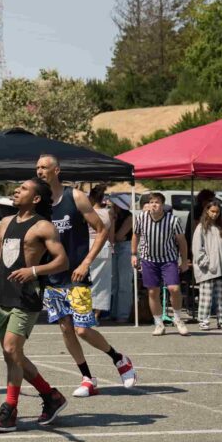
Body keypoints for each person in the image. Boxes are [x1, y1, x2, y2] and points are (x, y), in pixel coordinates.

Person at [0, 179, 70, 432]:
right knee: (12, 356)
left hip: (27, 298)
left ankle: (10, 410)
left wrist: (33, 270)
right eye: (17, 188)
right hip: (4, 296)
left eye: (23, 188)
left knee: (12, 350)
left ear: (36, 199)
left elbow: (62, 261)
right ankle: (51, 396)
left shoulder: (43, 227)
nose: (16, 191)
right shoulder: (5, 222)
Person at [35, 155, 137, 398]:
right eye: (37, 167)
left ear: (57, 170)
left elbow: (101, 230)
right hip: (52, 276)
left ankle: (119, 358)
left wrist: (86, 262)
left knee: (82, 329)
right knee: (65, 328)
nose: (39, 171)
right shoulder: (40, 203)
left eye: (44, 167)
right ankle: (88, 378)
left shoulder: (75, 197)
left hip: (76, 275)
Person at [132, 192, 192, 336]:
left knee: (174, 289)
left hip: (168, 259)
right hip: (149, 259)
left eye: (157, 202)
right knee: (153, 292)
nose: (154, 205)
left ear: (163, 205)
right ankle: (158, 323)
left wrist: (184, 261)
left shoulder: (173, 220)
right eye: (152, 202)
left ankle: (178, 319)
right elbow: (135, 235)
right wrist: (134, 254)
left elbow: (182, 241)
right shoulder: (141, 218)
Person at [192, 200, 222, 331]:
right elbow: (197, 247)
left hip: (221, 266)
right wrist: (204, 261)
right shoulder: (201, 227)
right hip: (207, 268)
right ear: (207, 211)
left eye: (217, 212)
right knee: (206, 297)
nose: (214, 214)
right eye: (212, 211)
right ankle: (203, 320)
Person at [87, 185, 114, 321]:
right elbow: (111, 234)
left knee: (86, 280)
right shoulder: (109, 212)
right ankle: (96, 315)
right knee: (102, 282)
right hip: (104, 246)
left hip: (88, 245)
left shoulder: (87, 212)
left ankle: (86, 312)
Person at [109, 193, 135, 323]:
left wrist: (113, 223)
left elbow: (117, 237)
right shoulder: (115, 217)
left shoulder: (129, 218)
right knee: (115, 282)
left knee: (124, 282)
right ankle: (114, 311)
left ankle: (123, 314)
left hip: (126, 248)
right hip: (118, 248)